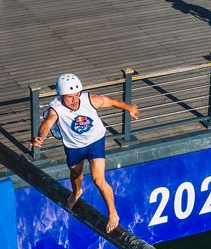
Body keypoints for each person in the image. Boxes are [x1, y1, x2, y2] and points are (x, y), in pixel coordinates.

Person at [28, 72, 139, 233]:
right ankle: (77, 191)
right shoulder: (56, 109)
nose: (74, 100)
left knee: (98, 179)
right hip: (74, 147)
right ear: (60, 96)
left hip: (95, 143)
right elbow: (47, 123)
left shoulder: (89, 100)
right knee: (76, 175)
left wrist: (129, 108)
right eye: (69, 97)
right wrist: (40, 137)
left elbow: (110, 101)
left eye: (76, 95)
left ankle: (113, 213)